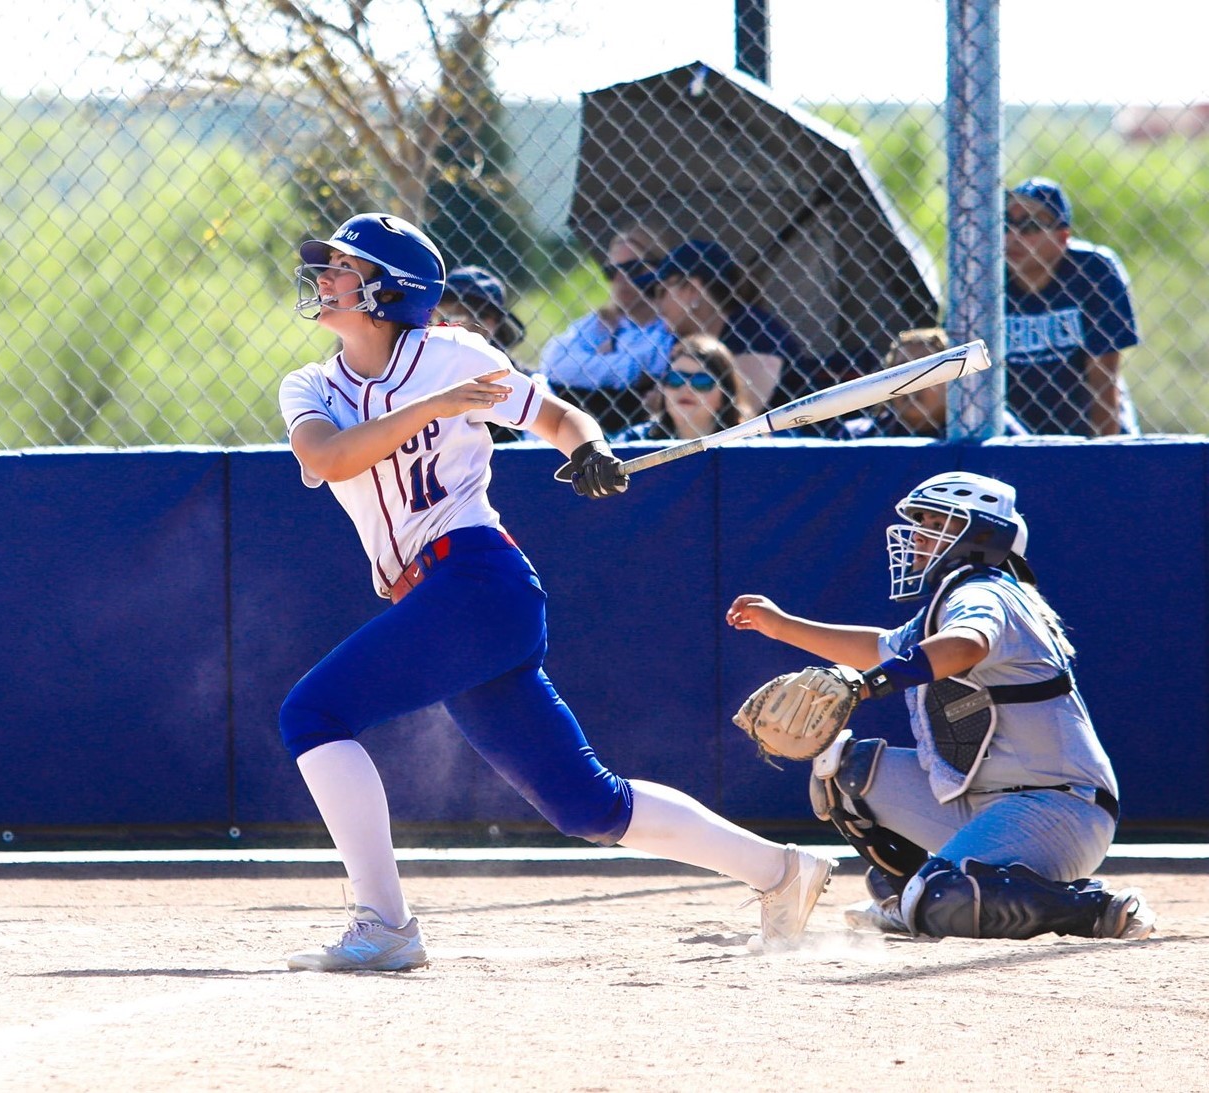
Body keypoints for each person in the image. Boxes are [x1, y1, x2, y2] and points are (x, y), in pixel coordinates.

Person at [278, 212, 832, 971]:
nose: (327, 279)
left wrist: (589, 447)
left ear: (388, 290)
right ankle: (781, 871)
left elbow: (553, 414)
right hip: (435, 602)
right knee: (586, 805)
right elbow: (332, 456)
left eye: (345, 269)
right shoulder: (311, 384)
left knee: (312, 712)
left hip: (476, 578)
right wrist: (435, 409)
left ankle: (385, 922)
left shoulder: (452, 354)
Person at [724, 471, 1154, 940]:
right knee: (847, 773)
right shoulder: (955, 596)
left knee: (942, 898)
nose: (919, 536)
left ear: (982, 534)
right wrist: (781, 625)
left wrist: (868, 687)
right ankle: (916, 897)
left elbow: (966, 646)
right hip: (987, 802)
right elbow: (883, 647)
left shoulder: (985, 590)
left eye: (935, 523)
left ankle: (1096, 908)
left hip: (1055, 808)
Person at [1003, 177, 1140, 436]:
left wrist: (1103, 456)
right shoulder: (984, 279)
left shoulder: (1094, 272)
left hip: (1086, 432)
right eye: (1006, 224)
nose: (1013, 236)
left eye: (1030, 226)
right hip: (1011, 438)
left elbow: (1103, 379)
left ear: (1062, 237)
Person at [641, 239, 806, 418]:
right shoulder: (683, 340)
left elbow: (743, 416)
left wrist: (663, 405)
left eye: (660, 292)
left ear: (692, 289)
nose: (656, 304)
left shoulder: (753, 331)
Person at [536, 224, 675, 434]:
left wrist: (599, 358)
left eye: (633, 269)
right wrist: (633, 370)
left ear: (658, 269)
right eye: (612, 271)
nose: (621, 279)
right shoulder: (601, 321)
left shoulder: (671, 323)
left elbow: (660, 357)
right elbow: (553, 362)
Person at [835, 329, 1030, 439]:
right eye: (899, 370)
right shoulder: (858, 436)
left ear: (954, 381)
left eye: (924, 372)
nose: (909, 382)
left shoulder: (990, 427)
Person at [434, 265, 538, 442]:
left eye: (452, 318)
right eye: (438, 318)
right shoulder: (420, 371)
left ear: (491, 323)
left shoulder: (523, 380)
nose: (443, 327)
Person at [608, 334, 750, 442]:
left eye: (701, 381)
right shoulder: (636, 441)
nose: (686, 388)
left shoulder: (748, 447)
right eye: (676, 379)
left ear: (726, 394)